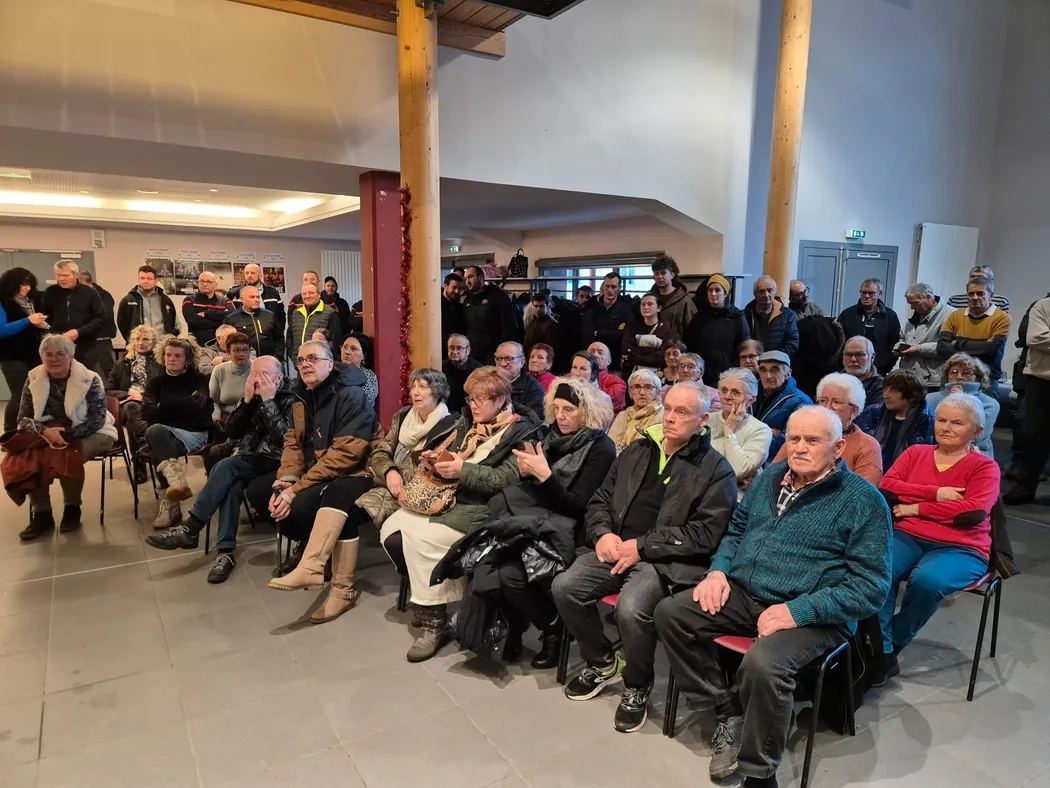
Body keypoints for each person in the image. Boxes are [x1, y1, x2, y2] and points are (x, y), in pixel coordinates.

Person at [654, 406, 892, 787]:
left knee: (763, 664)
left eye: (812, 440)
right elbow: (736, 530)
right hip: (748, 590)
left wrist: (798, 610)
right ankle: (727, 710)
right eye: (793, 438)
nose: (799, 447)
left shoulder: (863, 501)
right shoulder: (773, 478)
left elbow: (871, 587)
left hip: (816, 611)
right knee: (670, 614)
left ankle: (758, 773)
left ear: (838, 447)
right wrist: (718, 570)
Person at [552, 382, 737, 733]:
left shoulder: (716, 469)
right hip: (616, 547)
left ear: (702, 420)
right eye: (668, 408)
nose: (670, 417)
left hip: (664, 561)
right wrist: (602, 534)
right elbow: (599, 501)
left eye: (682, 412)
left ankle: (637, 685)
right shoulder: (637, 450)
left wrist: (642, 546)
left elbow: (705, 534)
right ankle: (604, 661)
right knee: (565, 585)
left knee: (630, 607)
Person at [433, 375, 616, 667]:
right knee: (493, 565)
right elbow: (528, 487)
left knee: (506, 573)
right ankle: (527, 629)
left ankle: (550, 629)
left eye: (569, 410)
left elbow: (579, 507)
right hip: (533, 519)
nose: (560, 416)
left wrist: (544, 476)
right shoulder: (549, 434)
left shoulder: (600, 447)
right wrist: (527, 473)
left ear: (588, 412)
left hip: (569, 528)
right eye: (556, 408)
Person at [381, 367, 543, 662]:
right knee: (391, 530)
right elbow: (455, 457)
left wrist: (461, 470)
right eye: (470, 398)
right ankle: (425, 597)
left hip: (483, 510)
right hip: (450, 500)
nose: (474, 405)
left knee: (421, 539)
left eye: (482, 399)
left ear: (501, 400)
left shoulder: (521, 433)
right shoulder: (468, 422)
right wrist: (437, 461)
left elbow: (504, 481)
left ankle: (434, 623)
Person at [876, 394, 1000, 683]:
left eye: (957, 423)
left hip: (963, 546)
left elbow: (971, 514)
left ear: (977, 432)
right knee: (878, 569)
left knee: (927, 581)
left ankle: (893, 642)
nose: (945, 427)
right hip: (909, 534)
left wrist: (916, 507)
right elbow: (888, 487)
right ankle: (879, 652)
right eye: (942, 420)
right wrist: (937, 494)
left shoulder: (984, 467)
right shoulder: (915, 453)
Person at [145, 355, 295, 584]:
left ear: (280, 377)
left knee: (227, 466)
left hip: (280, 460)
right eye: (254, 374)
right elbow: (232, 432)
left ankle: (193, 527)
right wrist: (245, 402)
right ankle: (225, 552)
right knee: (231, 483)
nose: (258, 380)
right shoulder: (251, 395)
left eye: (264, 375)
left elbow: (285, 439)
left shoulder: (292, 396)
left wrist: (268, 402)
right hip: (250, 457)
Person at [264, 341, 377, 623]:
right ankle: (316, 567)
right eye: (300, 360)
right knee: (281, 509)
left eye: (313, 358)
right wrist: (286, 481)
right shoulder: (301, 396)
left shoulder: (351, 395)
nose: (305, 364)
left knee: (339, 495)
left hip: (360, 470)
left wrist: (296, 490)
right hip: (321, 473)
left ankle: (333, 583)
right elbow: (292, 444)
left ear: (331, 363)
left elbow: (346, 456)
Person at [357, 368, 459, 579]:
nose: (416, 392)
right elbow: (381, 452)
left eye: (423, 387)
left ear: (437, 392)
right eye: (413, 386)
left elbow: (432, 474)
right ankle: (330, 575)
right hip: (387, 482)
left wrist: (394, 475)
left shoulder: (450, 425)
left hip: (412, 493)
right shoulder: (404, 416)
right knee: (340, 503)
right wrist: (390, 470)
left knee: (349, 510)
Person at [15, 334, 119, 540]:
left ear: (71, 356)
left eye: (60, 354)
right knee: (30, 457)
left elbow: (97, 420)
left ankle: (72, 508)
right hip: (48, 431)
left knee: (68, 454)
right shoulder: (33, 379)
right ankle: (42, 514)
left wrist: (64, 436)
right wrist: (45, 432)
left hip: (93, 431)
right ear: (41, 357)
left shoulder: (90, 378)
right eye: (48, 354)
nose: (54, 359)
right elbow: (22, 419)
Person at [142, 335, 213, 529]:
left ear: (188, 360)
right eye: (168, 355)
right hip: (164, 431)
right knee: (155, 431)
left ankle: (170, 505)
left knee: (158, 443)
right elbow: (146, 411)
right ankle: (176, 482)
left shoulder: (200, 380)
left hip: (194, 432)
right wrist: (182, 405)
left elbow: (198, 407)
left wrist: (163, 405)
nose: (171, 359)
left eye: (177, 356)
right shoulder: (155, 383)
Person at [774, 372, 883, 486]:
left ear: (854, 410)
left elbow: (864, 494)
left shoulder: (867, 445)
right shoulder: (799, 435)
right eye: (823, 400)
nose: (827, 407)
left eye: (836, 402)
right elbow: (771, 476)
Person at [1004, 295, 1050, 505]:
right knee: (1034, 436)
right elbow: (1036, 339)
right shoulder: (1042, 306)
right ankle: (1025, 486)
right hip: (1041, 381)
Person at [105, 325, 163, 484]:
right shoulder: (122, 363)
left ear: (153, 342)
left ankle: (139, 463)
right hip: (127, 403)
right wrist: (129, 395)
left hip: (152, 403)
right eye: (137, 339)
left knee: (134, 417)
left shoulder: (160, 362)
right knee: (132, 409)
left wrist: (142, 396)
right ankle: (146, 445)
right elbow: (108, 389)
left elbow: (163, 386)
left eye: (145, 339)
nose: (140, 342)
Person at [937, 275, 1011, 391]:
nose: (975, 297)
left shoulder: (1002, 318)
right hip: (955, 377)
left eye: (980, 293)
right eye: (971, 294)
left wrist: (957, 343)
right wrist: (982, 345)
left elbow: (991, 350)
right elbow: (941, 348)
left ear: (991, 296)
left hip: (987, 379)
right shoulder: (955, 316)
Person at [708, 368, 772, 499]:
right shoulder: (706, 420)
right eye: (724, 390)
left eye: (736, 393)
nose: (727, 396)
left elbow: (739, 470)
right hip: (701, 491)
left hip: (735, 499)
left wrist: (729, 431)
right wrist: (731, 476)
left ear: (751, 400)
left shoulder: (760, 430)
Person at [856, 369, 936, 472]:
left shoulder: (930, 421)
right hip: (870, 472)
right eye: (885, 389)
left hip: (908, 477)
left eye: (893, 390)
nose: (886, 395)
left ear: (911, 396)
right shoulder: (872, 413)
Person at [0, 268, 49, 431]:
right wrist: (28, 320)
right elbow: (2, 330)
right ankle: (10, 431)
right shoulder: (3, 302)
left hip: (35, 354)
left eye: (29, 285)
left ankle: (30, 429)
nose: (27, 288)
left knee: (36, 393)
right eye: (23, 285)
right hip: (12, 357)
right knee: (19, 394)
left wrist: (43, 326)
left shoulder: (32, 301)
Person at [926, 353, 1000, 458]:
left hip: (974, 454)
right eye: (954, 372)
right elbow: (927, 431)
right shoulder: (931, 398)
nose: (959, 377)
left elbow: (977, 436)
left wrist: (960, 400)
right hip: (934, 450)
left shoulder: (990, 403)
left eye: (966, 373)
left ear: (977, 378)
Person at [684, 274, 749, 387]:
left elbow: (743, 349)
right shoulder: (699, 318)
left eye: (718, 290)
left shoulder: (737, 318)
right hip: (700, 376)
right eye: (710, 290)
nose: (713, 294)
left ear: (725, 294)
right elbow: (689, 345)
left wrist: (731, 371)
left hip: (726, 376)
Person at [39, 260, 107, 366]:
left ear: (76, 275)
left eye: (65, 275)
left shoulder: (90, 293)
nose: (61, 279)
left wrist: (78, 332)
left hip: (85, 347)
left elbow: (100, 319)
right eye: (58, 275)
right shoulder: (50, 292)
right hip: (58, 347)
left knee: (84, 379)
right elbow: (45, 316)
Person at [754, 350, 811, 461]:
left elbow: (789, 441)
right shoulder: (749, 392)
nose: (768, 376)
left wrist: (750, 432)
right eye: (763, 370)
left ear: (788, 374)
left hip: (775, 462)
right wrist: (767, 431)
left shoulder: (800, 402)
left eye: (774, 370)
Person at [837, 278, 901, 376]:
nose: (867, 296)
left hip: (880, 370)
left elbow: (895, 342)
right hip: (851, 369)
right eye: (863, 293)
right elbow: (839, 342)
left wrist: (887, 364)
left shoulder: (890, 316)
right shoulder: (847, 315)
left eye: (871, 293)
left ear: (880, 294)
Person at [897, 282, 953, 390]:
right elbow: (903, 336)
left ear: (929, 297)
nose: (912, 307)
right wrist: (899, 347)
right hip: (910, 377)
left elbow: (947, 347)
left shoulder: (950, 315)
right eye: (910, 304)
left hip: (934, 380)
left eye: (914, 303)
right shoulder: (919, 312)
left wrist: (918, 349)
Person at [462, 265, 517, 364]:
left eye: (470, 277)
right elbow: (466, 327)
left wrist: (499, 352)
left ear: (481, 278)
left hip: (492, 355)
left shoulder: (498, 297)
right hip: (472, 355)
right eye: (465, 278)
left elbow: (509, 327)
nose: (467, 281)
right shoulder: (467, 300)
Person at [582, 273, 634, 372]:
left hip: (616, 364)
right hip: (593, 364)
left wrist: (599, 333)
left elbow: (627, 336)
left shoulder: (626, 310)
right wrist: (616, 332)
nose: (609, 290)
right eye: (607, 286)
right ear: (602, 287)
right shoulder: (592, 309)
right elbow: (587, 339)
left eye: (613, 287)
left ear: (619, 288)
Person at [116, 265, 179, 342]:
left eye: (149, 278)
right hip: (139, 345)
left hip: (161, 345)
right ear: (138, 280)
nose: (145, 281)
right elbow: (122, 324)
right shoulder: (128, 300)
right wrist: (131, 341)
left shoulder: (165, 300)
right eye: (142, 278)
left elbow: (172, 322)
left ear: (156, 281)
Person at [621, 293, 678, 378]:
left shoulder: (668, 328)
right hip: (634, 374)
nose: (646, 307)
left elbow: (664, 357)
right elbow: (626, 350)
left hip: (660, 375)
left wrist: (637, 356)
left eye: (650, 304)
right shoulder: (632, 326)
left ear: (659, 308)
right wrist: (652, 352)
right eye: (643, 304)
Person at [608, 369, 663, 454]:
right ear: (630, 393)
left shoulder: (663, 415)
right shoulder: (623, 415)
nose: (641, 392)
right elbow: (610, 445)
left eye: (648, 387)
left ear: (658, 392)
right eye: (637, 387)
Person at [223, 285, 284, 361]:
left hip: (269, 361)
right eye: (252, 297)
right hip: (243, 363)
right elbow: (226, 343)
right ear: (241, 299)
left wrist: (277, 357)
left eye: (258, 297)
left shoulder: (269, 315)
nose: (256, 300)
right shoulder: (231, 319)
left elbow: (279, 338)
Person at [76, 270, 117, 380]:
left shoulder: (102, 296)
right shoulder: (84, 295)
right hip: (84, 342)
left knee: (105, 377)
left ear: (81, 282)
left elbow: (103, 318)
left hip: (100, 341)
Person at [744, 276, 798, 357]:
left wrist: (773, 358)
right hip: (751, 362)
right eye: (762, 291)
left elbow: (792, 343)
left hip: (777, 362)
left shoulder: (787, 314)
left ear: (775, 292)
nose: (766, 295)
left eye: (770, 290)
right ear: (755, 294)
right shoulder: (745, 314)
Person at [287, 282, 341, 363]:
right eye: (304, 293)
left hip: (321, 366)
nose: (307, 296)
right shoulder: (296, 313)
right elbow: (289, 337)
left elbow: (336, 343)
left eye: (311, 293)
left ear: (319, 295)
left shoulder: (330, 314)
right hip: (300, 364)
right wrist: (294, 357)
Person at [227, 263, 286, 336]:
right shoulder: (234, 293)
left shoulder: (272, 293)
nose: (249, 276)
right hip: (243, 338)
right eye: (247, 273)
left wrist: (279, 334)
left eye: (253, 273)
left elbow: (281, 316)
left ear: (260, 276)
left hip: (269, 338)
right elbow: (228, 317)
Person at [209, 332, 253, 426]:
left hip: (252, 420)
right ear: (228, 352)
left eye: (245, 350)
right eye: (237, 350)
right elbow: (213, 402)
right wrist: (216, 418)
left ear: (250, 351)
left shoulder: (258, 369)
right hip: (225, 420)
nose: (242, 354)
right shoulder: (219, 370)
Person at [494, 341, 545, 421]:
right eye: (498, 359)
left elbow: (532, 421)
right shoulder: (487, 380)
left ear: (521, 362)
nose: (503, 364)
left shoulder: (534, 389)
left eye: (508, 359)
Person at [649, 254, 697, 339]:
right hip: (652, 349)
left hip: (675, 349)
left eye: (663, 273)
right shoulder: (649, 299)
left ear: (672, 274)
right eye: (656, 273)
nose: (660, 277)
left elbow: (693, 330)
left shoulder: (685, 300)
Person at [181, 270, 229, 348]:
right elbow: (192, 321)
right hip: (197, 346)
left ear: (215, 284)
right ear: (197, 283)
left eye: (209, 282)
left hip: (220, 346)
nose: (205, 284)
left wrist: (207, 314)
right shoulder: (189, 300)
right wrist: (219, 320)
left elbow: (230, 318)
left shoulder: (225, 301)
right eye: (202, 281)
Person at [552, 285, 591, 374]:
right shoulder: (569, 313)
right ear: (576, 297)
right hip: (568, 354)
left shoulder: (592, 314)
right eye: (581, 296)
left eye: (588, 297)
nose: (585, 300)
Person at [443, 333, 482, 413]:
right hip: (446, 412)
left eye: (459, 348)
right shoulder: (442, 367)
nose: (454, 352)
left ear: (468, 351)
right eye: (451, 348)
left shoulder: (478, 371)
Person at [946, 265, 1011, 312]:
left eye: (980, 277)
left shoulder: (1001, 301)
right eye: (972, 276)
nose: (975, 279)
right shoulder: (954, 300)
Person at [842, 335, 885, 407]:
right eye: (849, 354)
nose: (853, 359)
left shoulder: (882, 386)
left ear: (872, 357)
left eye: (859, 355)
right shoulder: (831, 381)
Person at [587, 342, 627, 414]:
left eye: (600, 353)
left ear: (609, 361)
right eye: (591, 352)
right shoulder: (571, 377)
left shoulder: (618, 383)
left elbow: (607, 404)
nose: (595, 355)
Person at [342, 335, 378, 410]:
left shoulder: (368, 376)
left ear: (363, 355)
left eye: (353, 349)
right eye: (345, 347)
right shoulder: (332, 371)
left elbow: (363, 402)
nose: (347, 352)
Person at [524, 292, 559, 358]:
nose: (538, 309)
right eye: (536, 306)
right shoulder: (531, 322)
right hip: (531, 357)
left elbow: (551, 347)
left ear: (547, 306)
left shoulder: (552, 324)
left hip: (544, 358)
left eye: (541, 306)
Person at [440, 272, 465, 345]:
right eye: (454, 287)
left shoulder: (460, 307)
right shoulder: (435, 305)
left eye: (459, 288)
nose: (457, 291)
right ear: (445, 286)